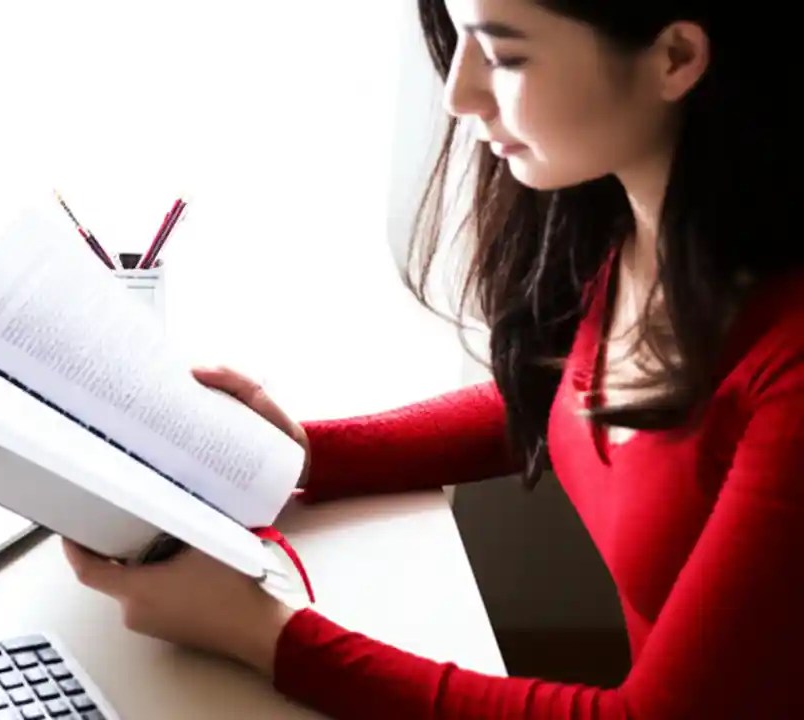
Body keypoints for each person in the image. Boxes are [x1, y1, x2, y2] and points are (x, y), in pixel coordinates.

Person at [64, 0, 803, 717]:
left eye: (505, 54)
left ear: (676, 57)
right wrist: (305, 455)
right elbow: (566, 391)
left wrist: (260, 632)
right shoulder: (630, 222)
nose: (459, 94)